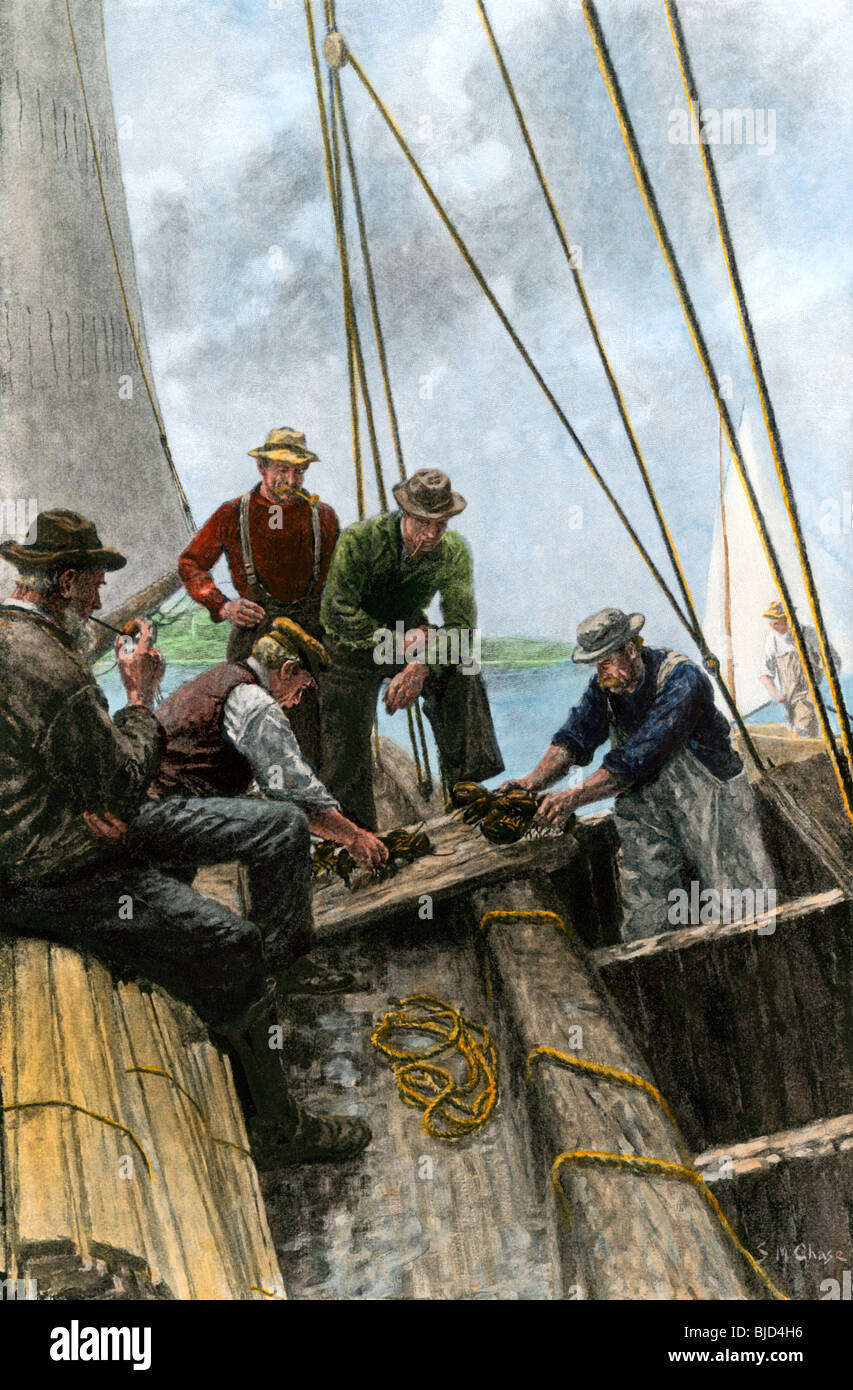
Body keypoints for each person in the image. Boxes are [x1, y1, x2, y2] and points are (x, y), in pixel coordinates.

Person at [0, 510, 370, 1168]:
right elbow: (119, 780)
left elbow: (67, 769)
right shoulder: (50, 668)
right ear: (64, 583)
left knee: (267, 829)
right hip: (55, 874)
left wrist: (91, 794)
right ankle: (278, 1129)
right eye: (93, 583)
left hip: (64, 835)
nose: (102, 597)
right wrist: (139, 697)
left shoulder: (17, 642)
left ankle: (252, 991)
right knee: (232, 942)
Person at [144, 615, 388, 994]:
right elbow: (294, 793)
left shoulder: (228, 677)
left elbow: (259, 783)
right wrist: (354, 837)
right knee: (286, 825)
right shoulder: (258, 705)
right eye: (302, 688)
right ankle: (287, 964)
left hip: (157, 807)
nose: (298, 701)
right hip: (163, 820)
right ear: (288, 670)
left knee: (277, 821)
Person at [502, 607, 775, 943]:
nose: (601, 674)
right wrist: (531, 782)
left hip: (713, 803)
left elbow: (637, 758)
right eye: (596, 666)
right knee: (646, 911)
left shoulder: (682, 680)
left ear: (631, 650)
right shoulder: (607, 687)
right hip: (648, 805)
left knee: (744, 904)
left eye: (605, 662)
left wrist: (572, 797)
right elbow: (574, 738)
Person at [319, 468, 504, 830]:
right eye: (424, 522)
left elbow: (462, 629)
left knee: (463, 666)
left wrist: (420, 666)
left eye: (442, 523)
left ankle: (466, 792)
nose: (433, 533)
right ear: (406, 514)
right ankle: (353, 830)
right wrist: (394, 641)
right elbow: (336, 612)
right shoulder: (360, 539)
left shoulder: (453, 552)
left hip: (409, 638)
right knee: (342, 712)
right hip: (352, 642)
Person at [177, 427, 339, 766]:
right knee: (244, 720)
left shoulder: (323, 517)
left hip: (311, 630)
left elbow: (341, 581)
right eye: (282, 469)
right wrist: (223, 605)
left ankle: (314, 808)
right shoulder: (232, 514)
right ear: (262, 467)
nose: (291, 479)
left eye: (298, 470)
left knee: (313, 730)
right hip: (255, 628)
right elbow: (190, 564)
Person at [758, 599, 837, 739]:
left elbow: (831, 658)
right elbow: (764, 672)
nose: (779, 626)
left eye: (783, 621)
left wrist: (824, 680)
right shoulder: (772, 641)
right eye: (775, 623)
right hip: (790, 696)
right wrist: (775, 693)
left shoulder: (807, 633)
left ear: (790, 618)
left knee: (805, 724)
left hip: (812, 690)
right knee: (800, 728)